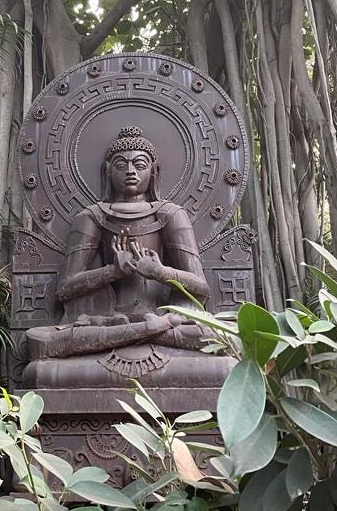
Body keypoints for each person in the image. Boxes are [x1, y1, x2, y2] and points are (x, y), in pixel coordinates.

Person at [23, 127, 232, 388]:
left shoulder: (170, 214)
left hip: (163, 317)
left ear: (153, 171)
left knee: (227, 342)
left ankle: (150, 328)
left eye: (139, 164)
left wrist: (160, 272)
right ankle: (149, 330)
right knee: (39, 343)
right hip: (108, 322)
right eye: (122, 165)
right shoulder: (91, 217)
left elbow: (201, 288)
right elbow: (65, 289)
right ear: (108, 171)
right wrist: (112, 271)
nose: (131, 171)